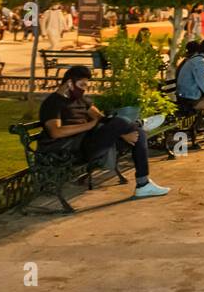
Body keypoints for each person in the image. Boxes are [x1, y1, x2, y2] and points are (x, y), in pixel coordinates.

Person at [39, 65, 169, 199]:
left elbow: (101, 118)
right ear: (69, 83)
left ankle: (143, 184)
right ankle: (140, 123)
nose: (84, 89)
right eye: (82, 85)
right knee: (122, 123)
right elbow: (56, 132)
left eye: (86, 85)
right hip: (72, 151)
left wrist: (122, 134)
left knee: (138, 134)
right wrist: (90, 125)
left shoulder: (80, 100)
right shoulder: (53, 103)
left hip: (90, 142)